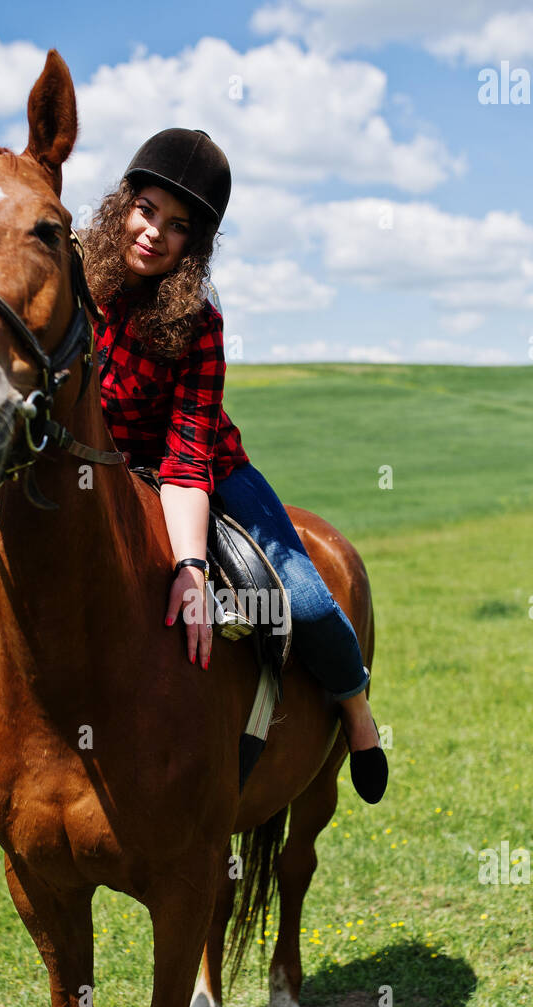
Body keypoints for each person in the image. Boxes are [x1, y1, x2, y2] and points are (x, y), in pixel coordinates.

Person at [81, 129, 387, 804]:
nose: (154, 233)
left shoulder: (199, 322)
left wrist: (190, 568)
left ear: (197, 243)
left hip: (203, 472)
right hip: (100, 476)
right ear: (122, 205)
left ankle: (357, 714)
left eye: (178, 225)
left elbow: (186, 454)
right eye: (146, 209)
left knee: (305, 597)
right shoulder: (73, 281)